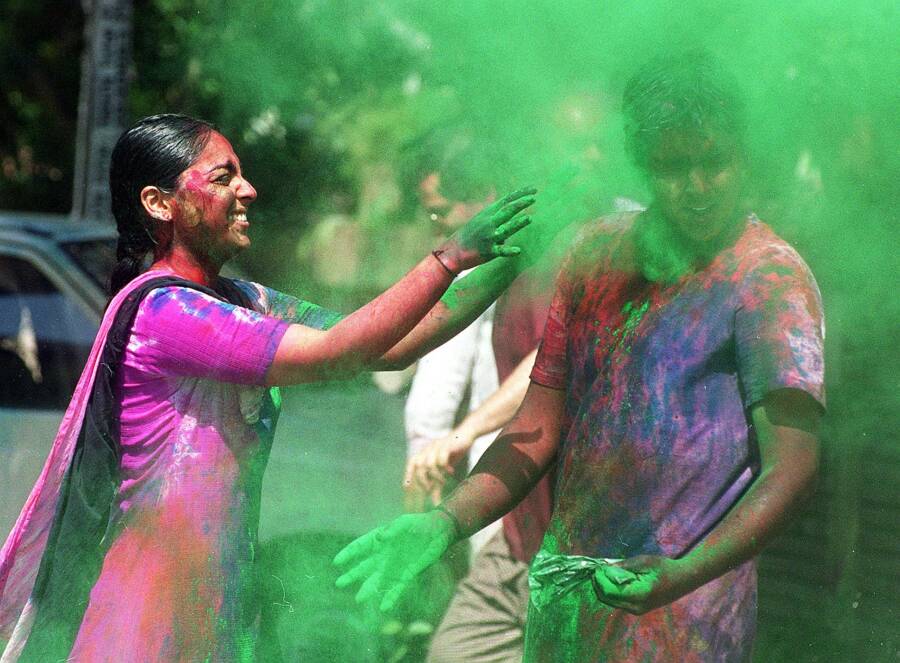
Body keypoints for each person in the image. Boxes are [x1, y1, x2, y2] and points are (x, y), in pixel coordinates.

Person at [335, 51, 826, 662]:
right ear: (643, 166)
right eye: (672, 167)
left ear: (743, 158)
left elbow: (793, 465)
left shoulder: (768, 278)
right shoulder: (596, 256)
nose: (697, 186)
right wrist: (445, 523)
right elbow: (537, 430)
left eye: (714, 163)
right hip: (568, 613)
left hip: (687, 623)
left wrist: (687, 570)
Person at [0, 113, 538, 662]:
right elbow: (340, 352)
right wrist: (449, 258)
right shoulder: (165, 310)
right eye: (222, 178)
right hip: (141, 617)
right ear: (159, 204)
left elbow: (393, 344)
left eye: (242, 174)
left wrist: (519, 255)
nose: (247, 190)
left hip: (214, 612)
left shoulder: (241, 299)